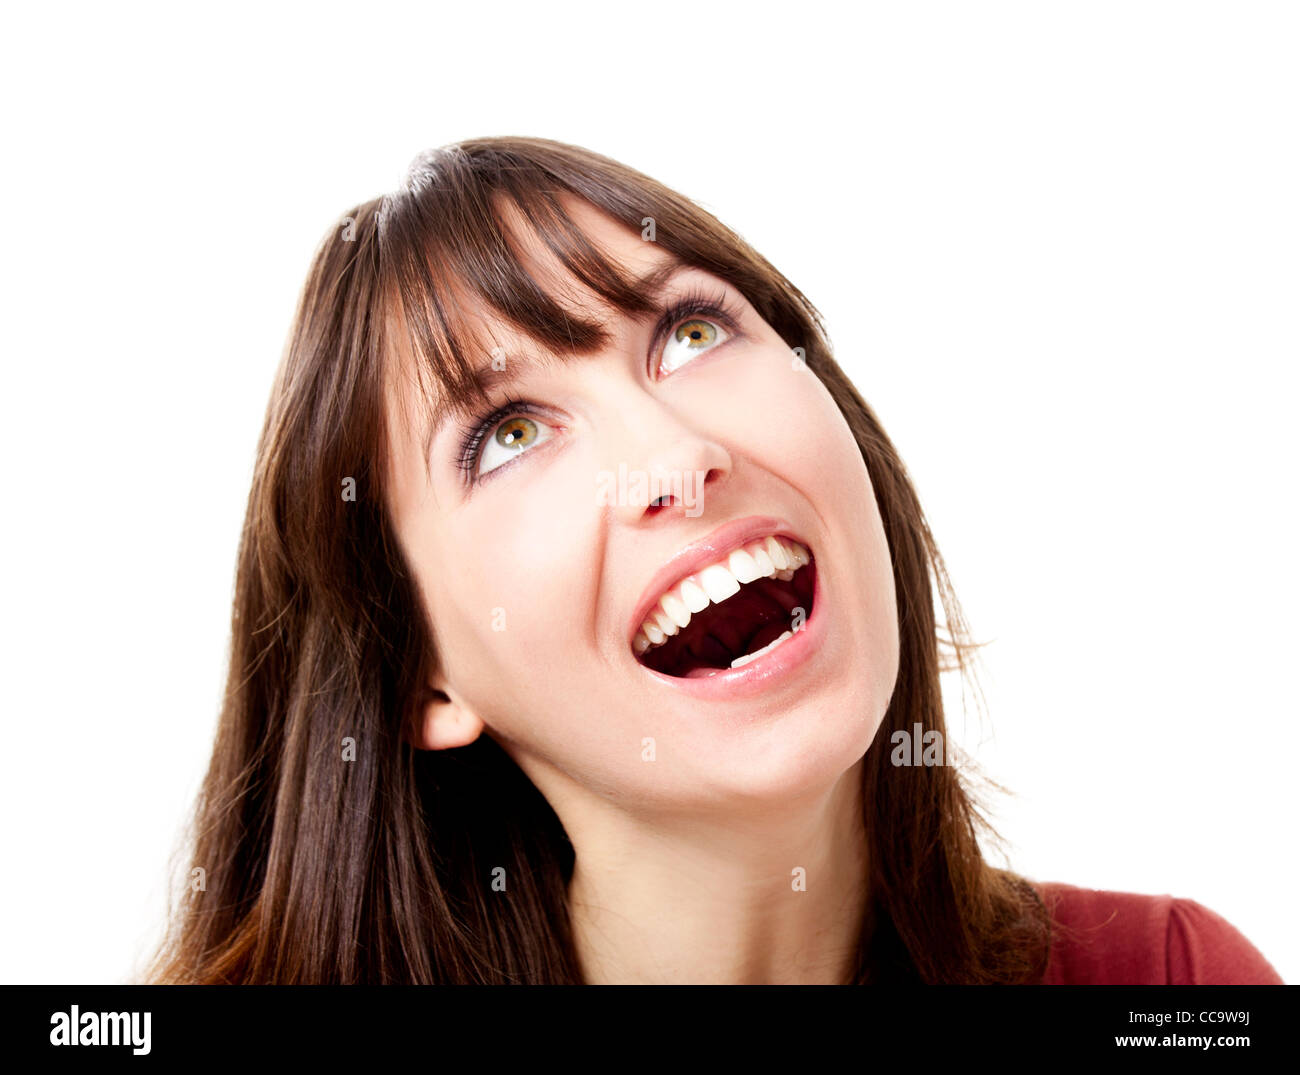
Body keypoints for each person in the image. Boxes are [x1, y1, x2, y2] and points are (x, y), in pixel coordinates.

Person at [144, 136, 1282, 985]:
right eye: (509, 434)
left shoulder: (1173, 985)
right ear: (418, 674)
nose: (674, 455)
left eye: (688, 332)